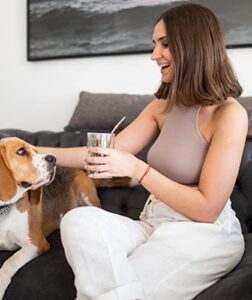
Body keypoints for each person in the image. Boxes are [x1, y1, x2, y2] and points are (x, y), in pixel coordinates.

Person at [33, 3, 248, 299]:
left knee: (124, 283)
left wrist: (137, 169)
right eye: (154, 44)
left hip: (203, 233)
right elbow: (99, 155)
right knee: (77, 221)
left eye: (165, 44)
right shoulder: (162, 106)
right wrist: (32, 152)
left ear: (192, 45)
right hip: (153, 223)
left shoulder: (229, 114)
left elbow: (208, 209)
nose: (154, 55)